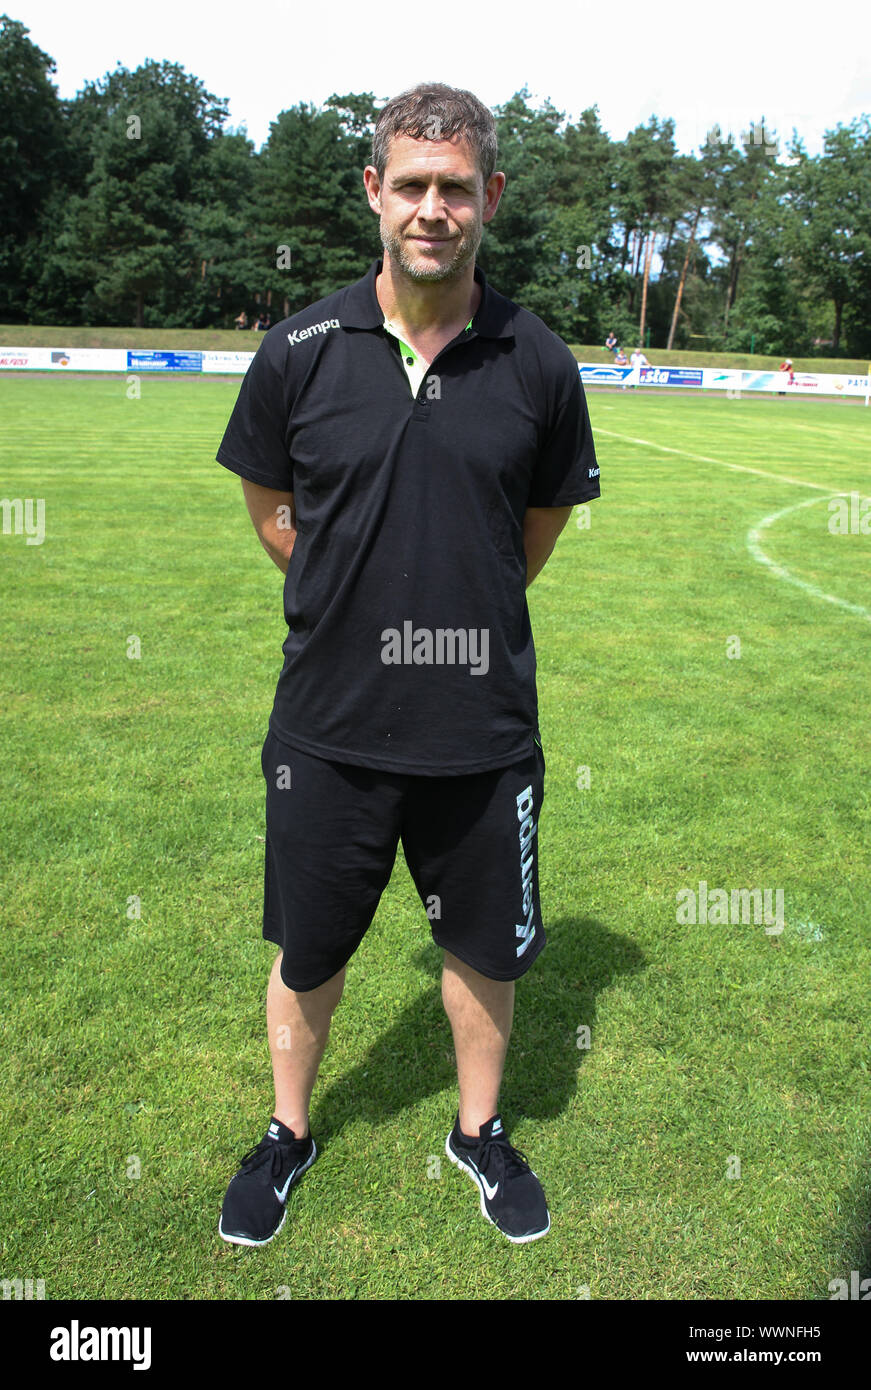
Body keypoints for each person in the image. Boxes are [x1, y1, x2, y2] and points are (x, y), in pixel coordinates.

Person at [214, 82, 600, 1249]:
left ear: (490, 197)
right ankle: (287, 1131)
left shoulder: (536, 360)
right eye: (412, 185)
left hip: (480, 734)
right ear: (374, 193)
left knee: (483, 951)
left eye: (457, 187)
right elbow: (273, 512)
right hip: (327, 730)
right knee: (311, 948)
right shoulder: (299, 350)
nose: (433, 208)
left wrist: (454, 611)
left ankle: (477, 1131)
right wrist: (351, 602)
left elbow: (527, 536)